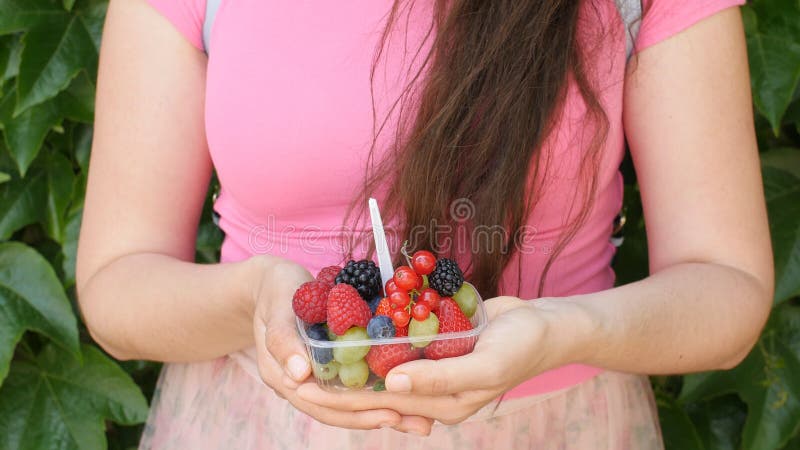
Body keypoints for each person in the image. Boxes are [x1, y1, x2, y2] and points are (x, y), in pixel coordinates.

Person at [76, 0, 773, 448]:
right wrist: (255, 302)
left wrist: (563, 331)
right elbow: (117, 285)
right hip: (255, 426)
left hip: (556, 428)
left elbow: (727, 288)